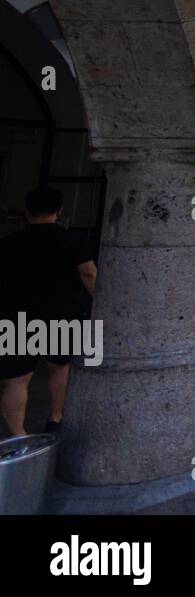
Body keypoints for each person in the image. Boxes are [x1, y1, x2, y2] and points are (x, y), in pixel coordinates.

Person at [0, 187, 97, 436]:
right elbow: (88, 274)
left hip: (18, 315)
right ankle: (55, 419)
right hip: (62, 312)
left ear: (27, 211)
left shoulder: (9, 243)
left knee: (17, 379)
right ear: (59, 211)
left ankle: (18, 435)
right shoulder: (74, 240)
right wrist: (100, 304)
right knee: (60, 368)